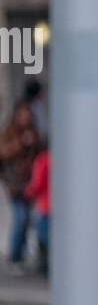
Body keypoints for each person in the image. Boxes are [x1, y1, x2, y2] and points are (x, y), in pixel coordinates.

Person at [0, 101, 43, 270]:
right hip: (14, 183)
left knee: (27, 217)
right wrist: (21, 144)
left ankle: (21, 252)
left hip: (29, 182)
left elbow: (39, 153)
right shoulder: (10, 133)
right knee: (20, 217)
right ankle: (14, 254)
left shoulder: (34, 133)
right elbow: (3, 152)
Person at [24, 146, 50, 275]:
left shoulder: (44, 160)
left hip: (46, 206)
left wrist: (29, 192)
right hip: (64, 210)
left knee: (44, 239)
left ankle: (45, 265)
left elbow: (37, 183)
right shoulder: (73, 159)